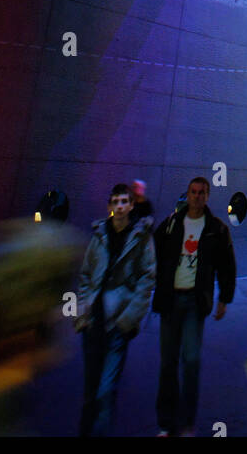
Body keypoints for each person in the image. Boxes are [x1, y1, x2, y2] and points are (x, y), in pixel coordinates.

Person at [152, 176, 236, 437]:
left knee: (191, 361)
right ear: (187, 195)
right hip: (171, 299)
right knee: (168, 363)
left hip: (193, 302)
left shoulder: (216, 229)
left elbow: (227, 265)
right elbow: (153, 254)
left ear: (208, 196)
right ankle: (167, 423)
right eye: (193, 192)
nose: (197, 196)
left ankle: (186, 422)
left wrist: (225, 297)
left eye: (202, 192)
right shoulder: (171, 224)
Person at [75, 182, 156, 437]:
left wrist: (129, 318)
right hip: (92, 321)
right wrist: (82, 310)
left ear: (132, 206)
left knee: (106, 391)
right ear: (110, 205)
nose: (120, 206)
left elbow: (147, 278)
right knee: (90, 391)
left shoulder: (142, 237)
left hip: (118, 323)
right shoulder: (99, 234)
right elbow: (86, 274)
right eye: (116, 202)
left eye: (124, 202)